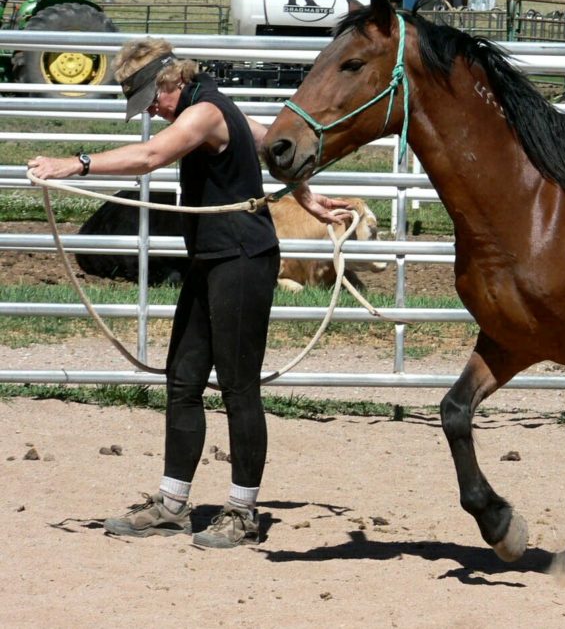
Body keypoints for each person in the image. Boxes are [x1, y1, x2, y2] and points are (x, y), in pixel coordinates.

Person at [27, 38, 351, 548]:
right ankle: (173, 504)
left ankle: (242, 512)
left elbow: (152, 155)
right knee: (183, 380)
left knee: (239, 387)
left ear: (173, 79)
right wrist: (304, 194)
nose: (151, 110)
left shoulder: (204, 112)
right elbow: (268, 141)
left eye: (152, 99)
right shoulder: (214, 106)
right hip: (212, 258)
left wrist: (75, 163)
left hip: (241, 260)